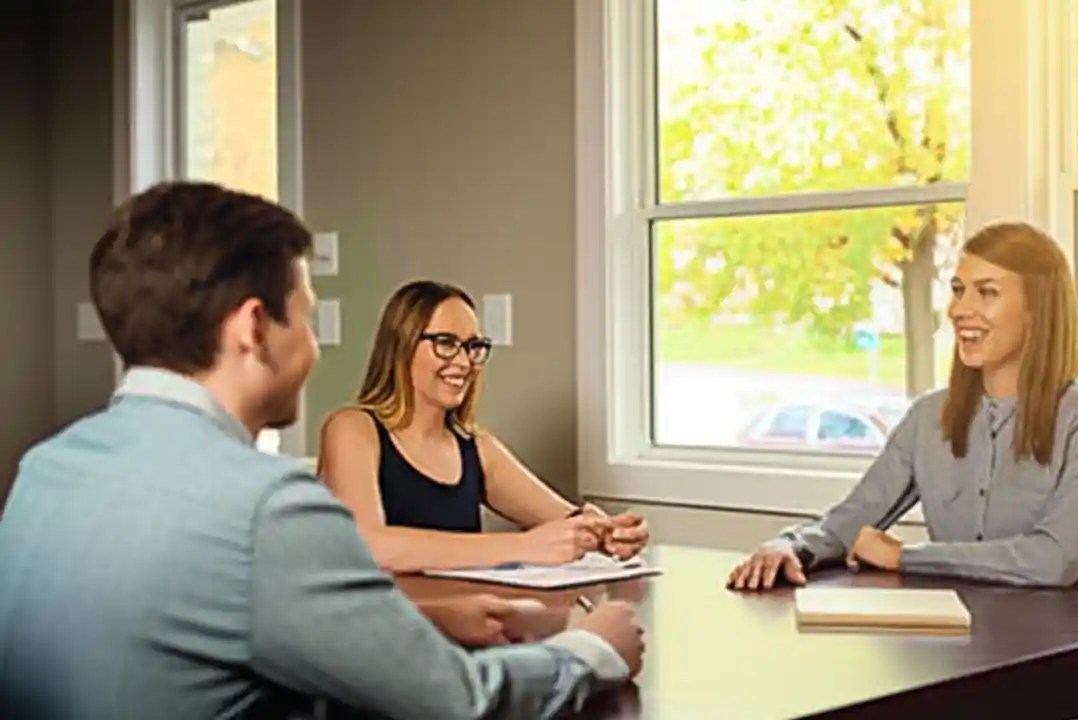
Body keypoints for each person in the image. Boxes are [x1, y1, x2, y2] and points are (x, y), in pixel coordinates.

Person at [0, 182, 644, 719]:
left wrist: (435, 621)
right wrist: (591, 649)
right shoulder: (268, 508)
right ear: (254, 328)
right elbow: (458, 703)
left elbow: (183, 638)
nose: (312, 346)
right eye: (306, 318)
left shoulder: (46, 471)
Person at [727, 221, 1078, 592]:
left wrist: (904, 557)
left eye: (987, 292)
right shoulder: (929, 418)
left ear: (1036, 311)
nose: (958, 310)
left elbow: (1055, 560)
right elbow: (852, 520)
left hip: (1055, 650)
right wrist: (788, 546)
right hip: (950, 643)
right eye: (958, 290)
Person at [317, 281, 649, 572]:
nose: (463, 362)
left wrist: (608, 532)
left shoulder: (475, 446)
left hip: (463, 624)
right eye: (445, 343)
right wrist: (523, 546)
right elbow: (367, 547)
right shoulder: (352, 430)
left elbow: (568, 520)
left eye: (473, 347)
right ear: (401, 347)